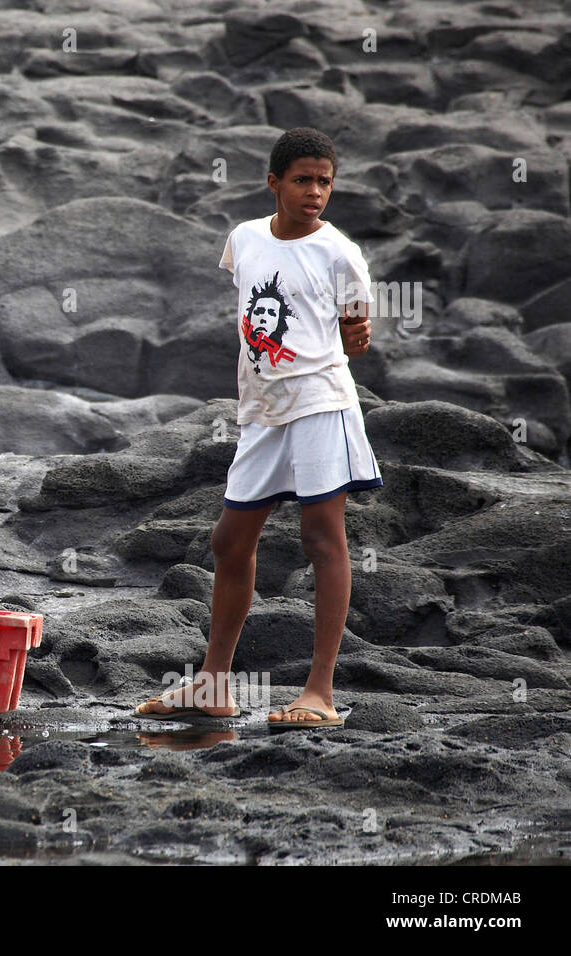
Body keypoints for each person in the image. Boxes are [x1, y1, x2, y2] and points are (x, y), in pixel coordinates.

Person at [136, 127, 380, 730]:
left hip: (320, 404)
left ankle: (318, 692)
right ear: (274, 183)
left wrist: (356, 335)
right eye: (302, 179)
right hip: (261, 412)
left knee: (323, 539)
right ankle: (214, 686)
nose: (315, 192)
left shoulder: (340, 252)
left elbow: (354, 335)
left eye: (325, 181)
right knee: (228, 541)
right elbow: (254, 309)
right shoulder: (244, 240)